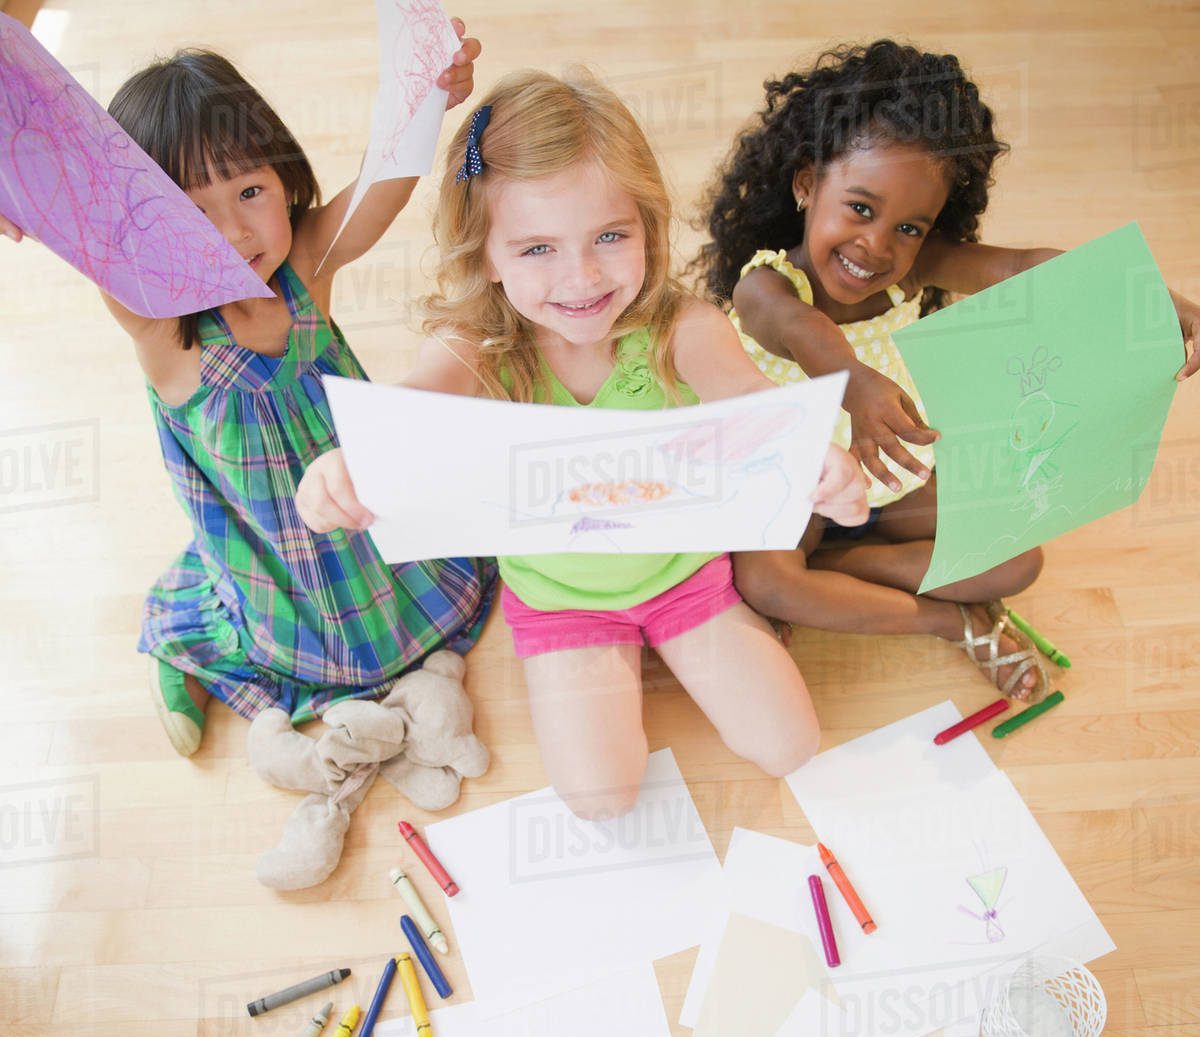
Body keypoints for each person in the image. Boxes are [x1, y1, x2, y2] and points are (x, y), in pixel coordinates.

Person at [295, 69, 868, 820]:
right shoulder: (482, 344)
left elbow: (750, 400)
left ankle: (709, 640)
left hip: (685, 574)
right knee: (599, 800)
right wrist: (351, 464)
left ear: (648, 226)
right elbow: (412, 406)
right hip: (560, 601)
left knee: (790, 745)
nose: (582, 277)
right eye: (537, 248)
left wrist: (818, 461)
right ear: (486, 253)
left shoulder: (685, 326)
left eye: (609, 236)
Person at [1, 29, 497, 756]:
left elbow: (383, 179)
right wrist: (18, 185)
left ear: (284, 177)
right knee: (260, 629)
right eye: (191, 214)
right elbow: (79, 218)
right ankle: (181, 656)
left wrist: (426, 93)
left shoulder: (305, 262)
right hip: (272, 560)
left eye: (251, 191)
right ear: (139, 232)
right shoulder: (162, 327)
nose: (234, 233)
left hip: (359, 515)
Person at [693, 39, 1200, 699]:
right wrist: (857, 386)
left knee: (1018, 558)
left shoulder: (916, 267)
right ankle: (942, 621)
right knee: (767, 583)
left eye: (910, 228)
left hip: (886, 480)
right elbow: (807, 333)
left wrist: (1140, 292)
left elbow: (1020, 269)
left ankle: (837, 566)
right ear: (806, 183)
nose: (876, 246)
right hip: (794, 479)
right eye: (861, 208)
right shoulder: (766, 284)